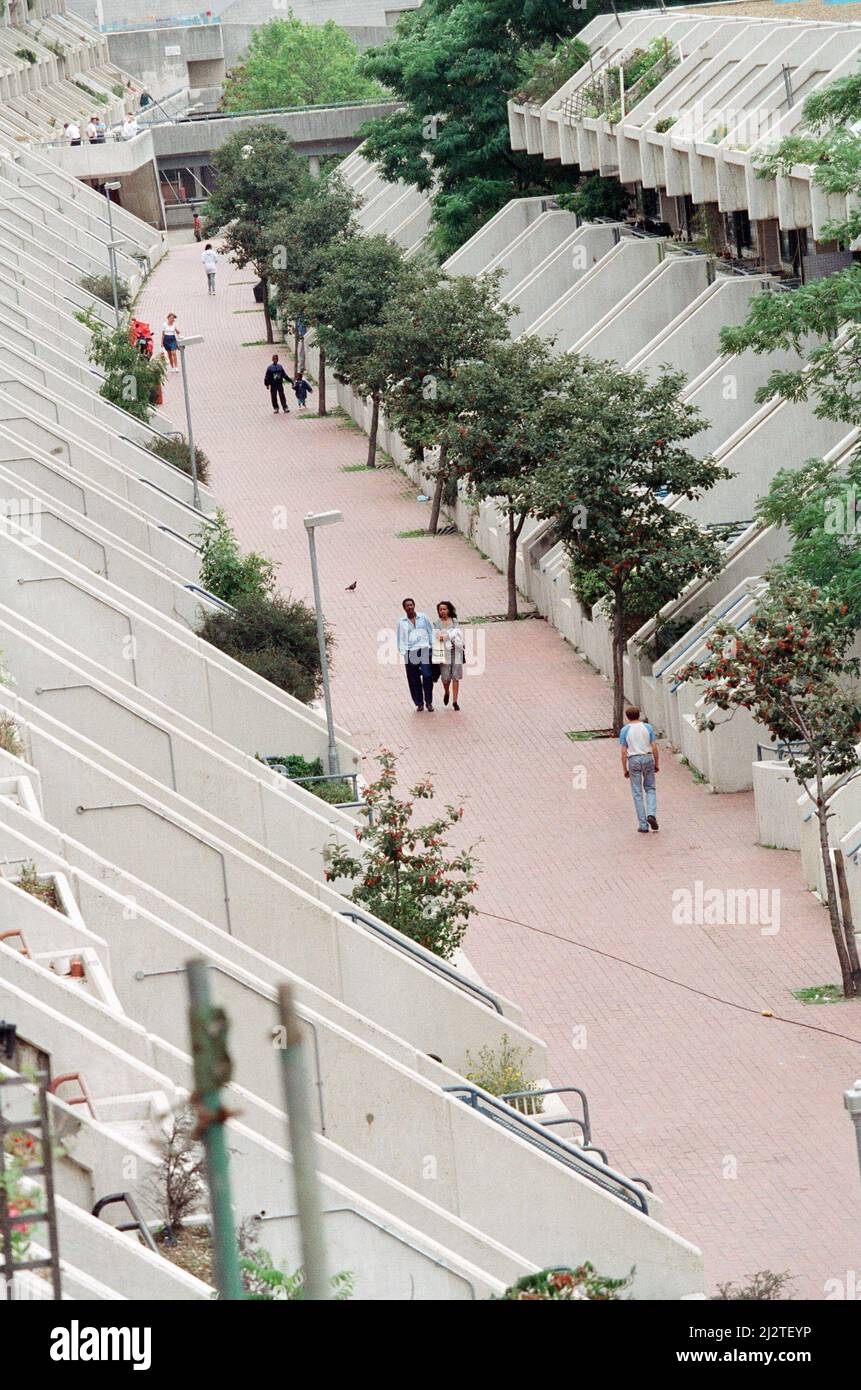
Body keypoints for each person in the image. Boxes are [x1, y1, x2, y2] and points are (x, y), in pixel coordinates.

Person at [619, 705, 660, 833]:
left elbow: (624, 751)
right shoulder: (648, 728)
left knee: (637, 793)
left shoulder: (625, 730)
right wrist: (656, 763)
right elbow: (654, 747)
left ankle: (643, 825)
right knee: (650, 788)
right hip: (647, 758)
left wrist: (624, 768)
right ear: (639, 715)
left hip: (634, 760)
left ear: (627, 717)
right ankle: (651, 814)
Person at [397, 598, 435, 712]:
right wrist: (404, 652)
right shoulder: (402, 622)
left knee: (427, 675)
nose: (409, 607)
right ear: (404, 608)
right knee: (414, 678)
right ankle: (419, 703)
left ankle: (429, 701)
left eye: (411, 605)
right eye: (407, 606)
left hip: (424, 649)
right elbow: (400, 639)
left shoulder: (423, 617)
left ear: (414, 605)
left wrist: (432, 646)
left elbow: (430, 631)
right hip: (410, 651)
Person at [433, 600, 464, 710]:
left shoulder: (454, 621)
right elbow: (438, 637)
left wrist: (446, 636)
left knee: (456, 676)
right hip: (444, 653)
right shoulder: (436, 623)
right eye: (440, 609)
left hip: (456, 651)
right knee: (445, 678)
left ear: (449, 610)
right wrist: (449, 636)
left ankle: (455, 701)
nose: (443, 611)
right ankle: (447, 692)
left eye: (444, 609)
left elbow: (457, 633)